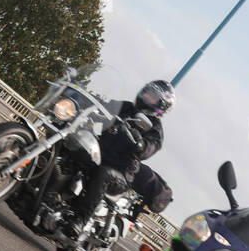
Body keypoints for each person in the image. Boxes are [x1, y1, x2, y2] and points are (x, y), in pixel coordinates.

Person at [68, 79, 174, 237]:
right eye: (146, 92)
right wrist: (81, 95)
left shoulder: (154, 128)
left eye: (151, 96)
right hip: (97, 155)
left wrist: (140, 143)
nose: (146, 97)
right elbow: (102, 106)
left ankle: (80, 219)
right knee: (72, 146)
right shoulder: (126, 107)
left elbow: (149, 148)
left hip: (121, 172)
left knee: (102, 173)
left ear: (161, 106)